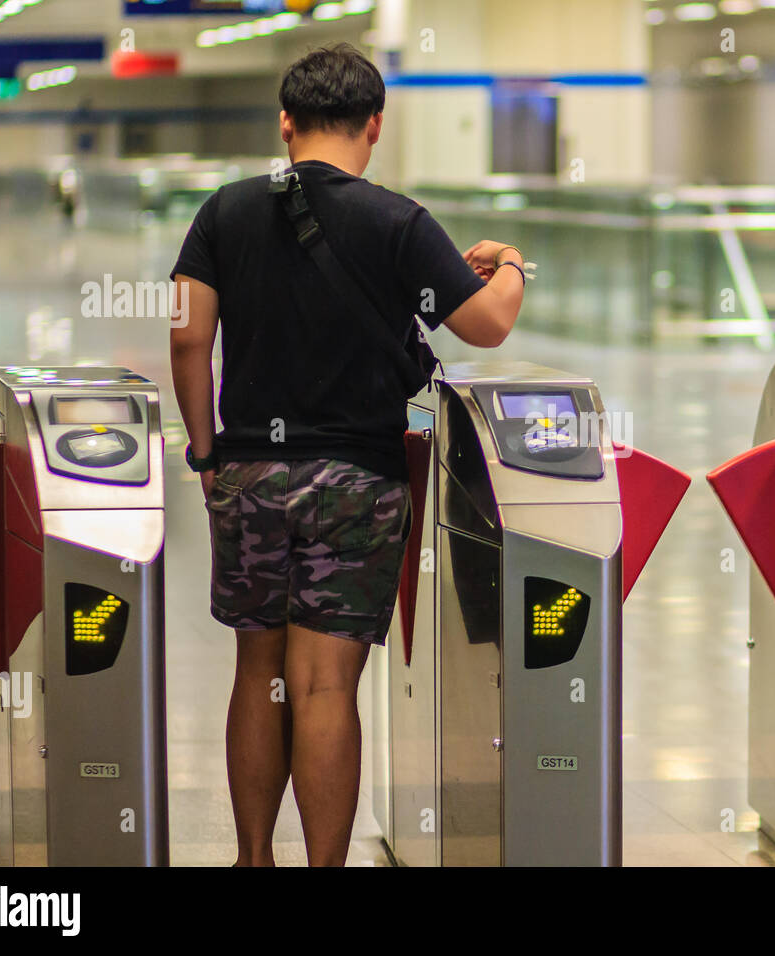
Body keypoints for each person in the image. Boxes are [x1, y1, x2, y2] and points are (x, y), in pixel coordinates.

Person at [169, 42, 526, 866]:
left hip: (250, 473)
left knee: (258, 668)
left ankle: (252, 857)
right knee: (326, 683)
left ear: (286, 124)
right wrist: (504, 264)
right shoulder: (398, 222)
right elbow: (488, 323)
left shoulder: (223, 213)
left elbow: (189, 338)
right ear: (374, 126)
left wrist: (205, 453)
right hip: (358, 482)